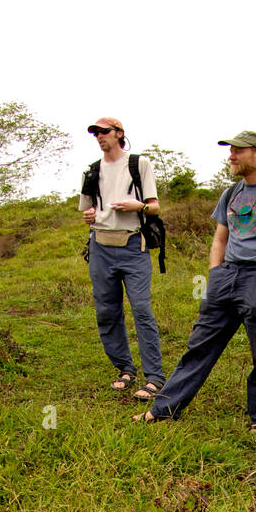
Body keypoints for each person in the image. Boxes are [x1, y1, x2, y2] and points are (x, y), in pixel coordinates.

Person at [134, 130, 256, 434]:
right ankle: (163, 409)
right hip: (227, 276)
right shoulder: (231, 194)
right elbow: (220, 238)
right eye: (231, 150)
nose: (232, 156)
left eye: (239, 150)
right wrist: (216, 273)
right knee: (198, 347)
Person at [79, 117, 165, 401]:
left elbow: (154, 207)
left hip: (132, 244)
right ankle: (125, 369)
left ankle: (155, 378)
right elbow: (86, 211)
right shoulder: (91, 171)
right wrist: (89, 215)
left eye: (105, 132)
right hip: (100, 245)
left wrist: (136, 206)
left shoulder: (138, 164)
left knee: (141, 310)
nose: (100, 137)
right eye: (96, 133)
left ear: (119, 134)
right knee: (106, 310)